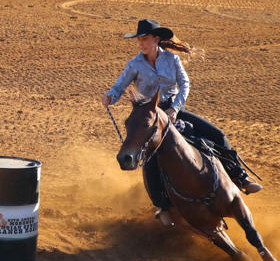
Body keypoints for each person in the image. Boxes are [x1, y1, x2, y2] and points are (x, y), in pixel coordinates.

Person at [101, 19, 262, 226]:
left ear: (156, 39)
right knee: (150, 159)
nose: (141, 43)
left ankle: (240, 177)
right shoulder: (134, 65)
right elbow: (119, 86)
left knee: (217, 135)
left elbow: (184, 84)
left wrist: (175, 109)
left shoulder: (171, 60)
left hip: (174, 109)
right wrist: (109, 97)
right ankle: (163, 205)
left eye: (145, 39)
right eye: (139, 39)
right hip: (151, 117)